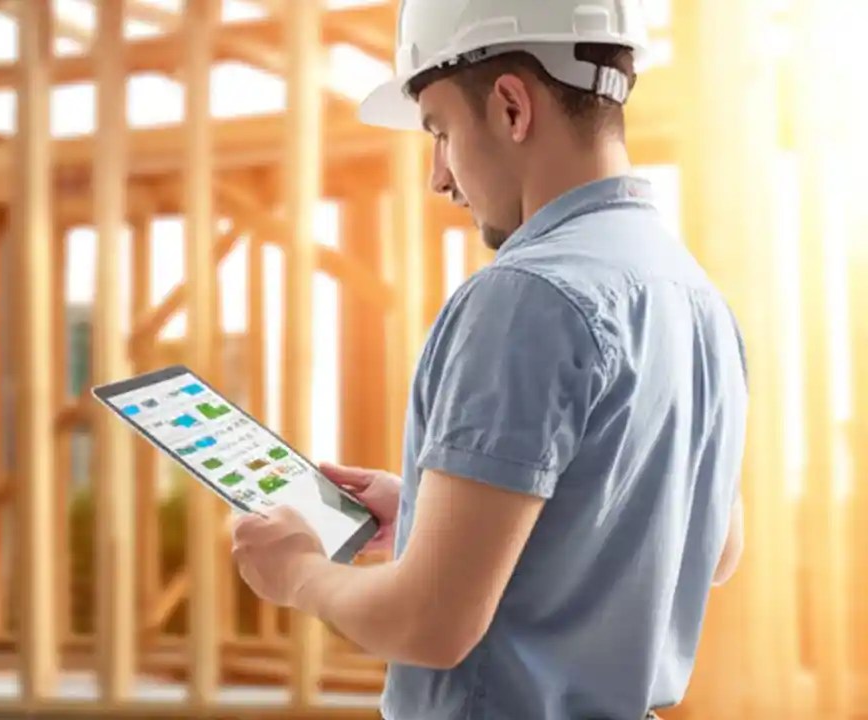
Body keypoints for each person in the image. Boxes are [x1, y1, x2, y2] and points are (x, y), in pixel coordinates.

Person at [228, 1, 749, 718]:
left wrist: (300, 574)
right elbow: (705, 547)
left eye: (440, 131)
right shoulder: (693, 295)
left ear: (510, 106)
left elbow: (430, 623)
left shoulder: (524, 296)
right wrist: (441, 518)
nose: (438, 178)